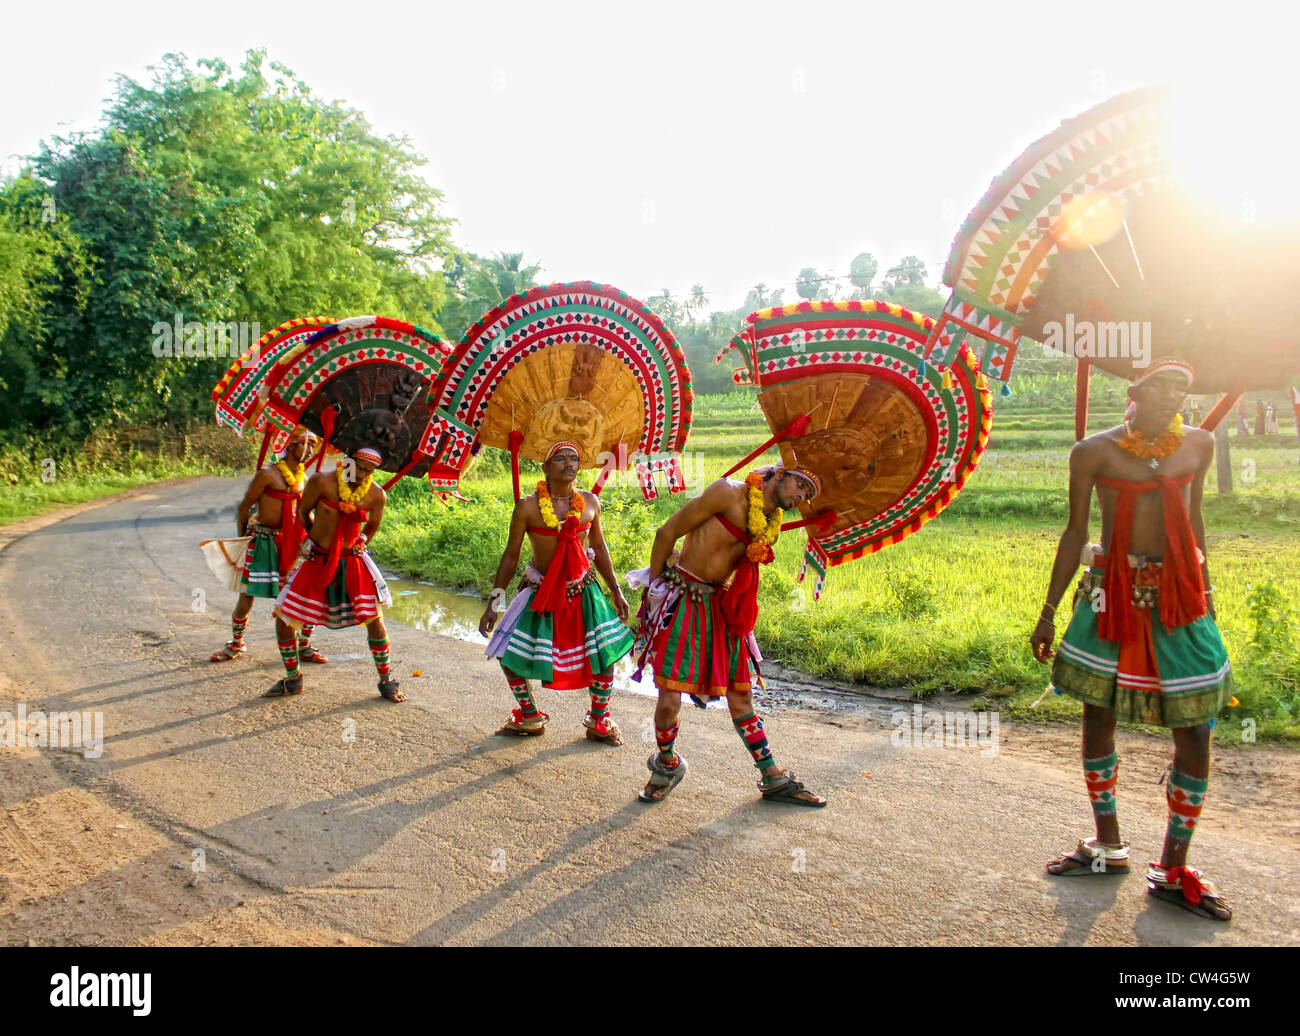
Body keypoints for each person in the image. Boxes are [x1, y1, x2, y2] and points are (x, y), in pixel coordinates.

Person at [1031, 358, 1232, 921]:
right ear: (1134, 390)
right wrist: (1047, 612)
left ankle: (1173, 868)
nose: (1172, 394)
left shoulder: (1199, 444)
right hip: (1110, 594)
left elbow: (1194, 525)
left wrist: (1206, 597)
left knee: (1193, 727)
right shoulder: (1093, 451)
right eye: (1161, 384)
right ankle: (1107, 846)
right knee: (1098, 717)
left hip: (1178, 599)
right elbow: (1075, 531)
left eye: (1182, 386)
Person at [631, 463, 827, 806]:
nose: (801, 496)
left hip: (720, 611)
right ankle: (666, 764)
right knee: (669, 698)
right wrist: (657, 584)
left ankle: (772, 777)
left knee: (741, 698)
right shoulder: (727, 492)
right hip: (683, 598)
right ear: (779, 475)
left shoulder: (769, 525)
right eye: (800, 485)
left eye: (808, 495)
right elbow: (667, 532)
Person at [479, 442, 633, 743]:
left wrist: (615, 589)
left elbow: (598, 547)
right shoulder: (527, 507)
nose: (569, 463)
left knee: (605, 653)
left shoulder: (589, 502)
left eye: (574, 458)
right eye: (560, 458)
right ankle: (529, 715)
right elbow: (510, 556)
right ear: (545, 468)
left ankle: (599, 719)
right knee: (509, 653)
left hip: (583, 590)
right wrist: (495, 602)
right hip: (540, 592)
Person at [270, 446, 402, 701]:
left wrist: (362, 539)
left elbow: (373, 525)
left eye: (370, 470)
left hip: (352, 562)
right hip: (318, 559)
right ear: (347, 461)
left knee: (375, 622)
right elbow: (303, 512)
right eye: (359, 467)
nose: (363, 474)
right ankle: (293, 678)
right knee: (284, 618)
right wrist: (313, 538)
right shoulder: (322, 481)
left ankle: (386, 681)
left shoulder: (376, 495)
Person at [209, 427, 327, 665]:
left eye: (314, 445)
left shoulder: (303, 478)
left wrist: (317, 539)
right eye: (307, 443)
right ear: (291, 444)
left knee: (304, 594)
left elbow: (304, 513)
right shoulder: (266, 474)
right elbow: (245, 507)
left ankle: (303, 644)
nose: (311, 449)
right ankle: (236, 643)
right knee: (247, 597)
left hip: (292, 543)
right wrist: (242, 539)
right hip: (262, 541)